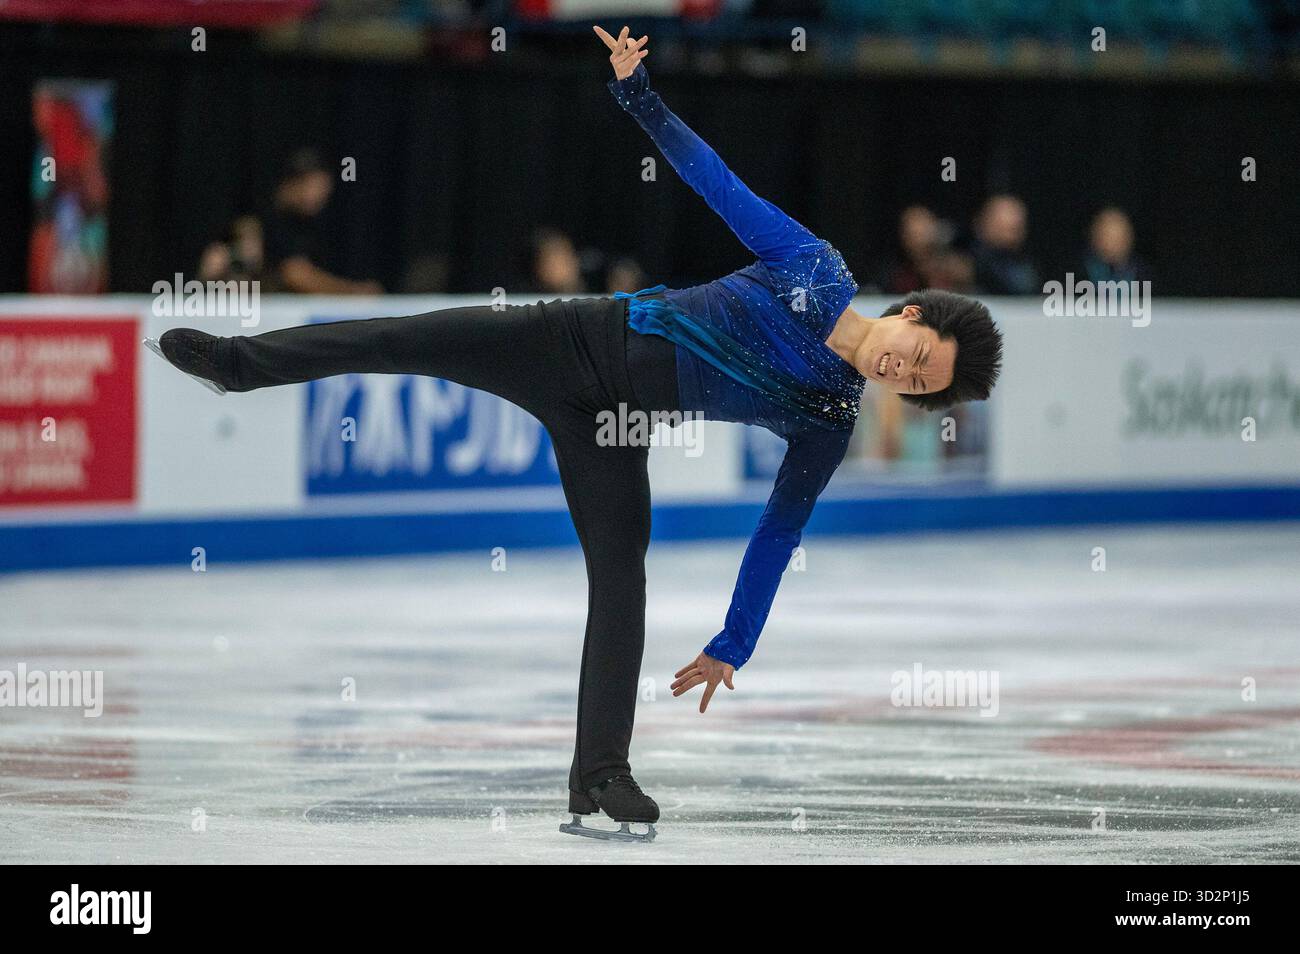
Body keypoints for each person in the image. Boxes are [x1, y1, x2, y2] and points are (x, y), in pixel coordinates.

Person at [146, 26, 1003, 842]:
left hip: (612, 425)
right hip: (569, 340)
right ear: (912, 311)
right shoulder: (816, 269)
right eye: (919, 354)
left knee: (621, 576)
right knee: (400, 338)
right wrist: (640, 97)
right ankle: (237, 363)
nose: (906, 371)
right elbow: (720, 185)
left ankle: (600, 773)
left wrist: (732, 643)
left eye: (922, 383)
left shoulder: (829, 419)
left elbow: (779, 532)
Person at [263, 148, 382, 295]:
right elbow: (295, 275)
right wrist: (353, 292)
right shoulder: (269, 220)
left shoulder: (311, 221)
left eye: (323, 188)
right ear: (291, 183)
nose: (318, 195)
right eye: (313, 186)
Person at [970, 194, 1039, 295]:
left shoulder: (1025, 265)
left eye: (1015, 229)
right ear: (980, 224)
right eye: (1000, 228)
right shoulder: (965, 262)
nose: (1009, 236)